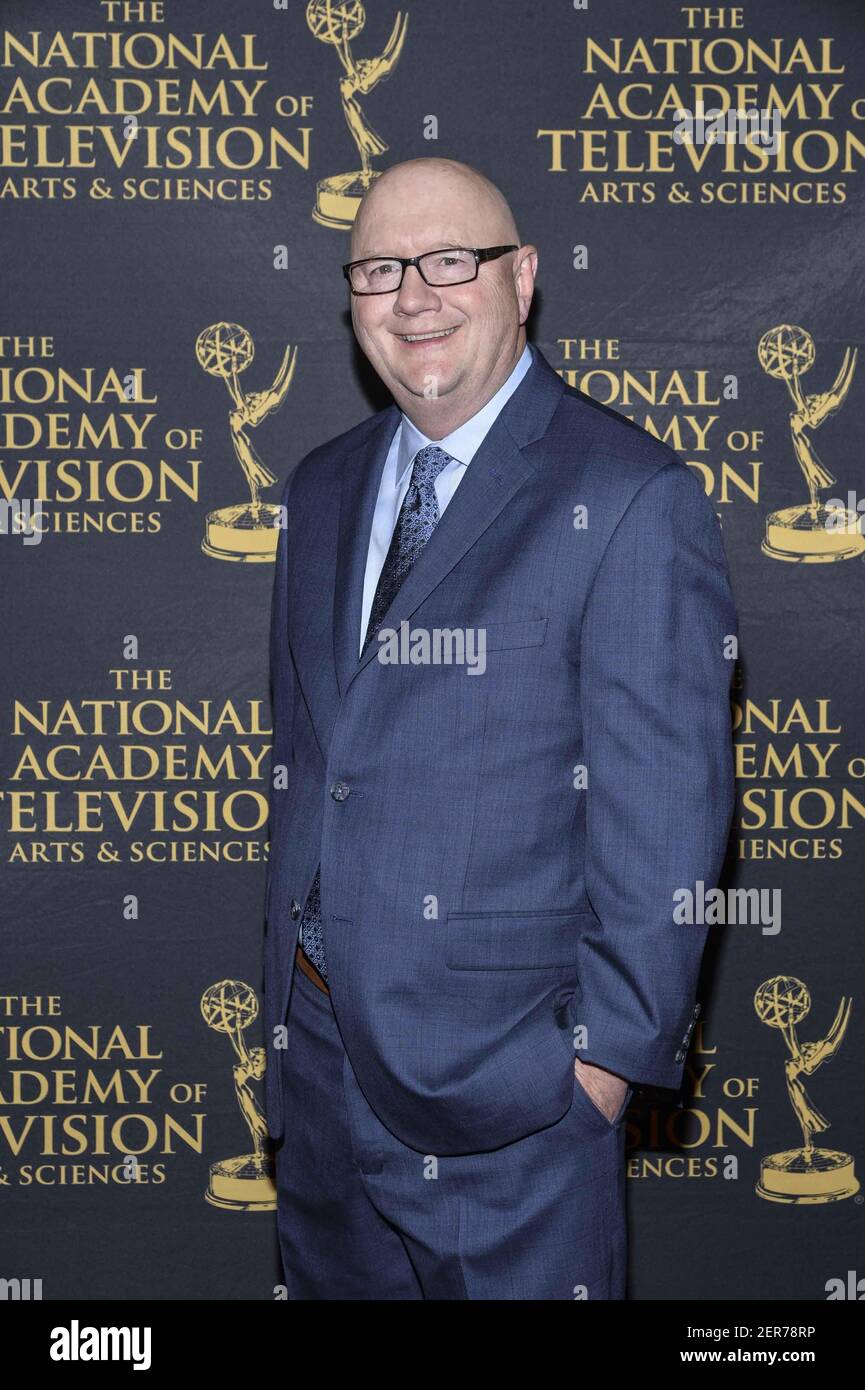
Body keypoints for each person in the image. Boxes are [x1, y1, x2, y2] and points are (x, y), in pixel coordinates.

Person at [263, 157, 736, 1300]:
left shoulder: (627, 494)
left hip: (512, 1102)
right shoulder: (320, 488)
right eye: (378, 269)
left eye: (449, 262)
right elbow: (320, 764)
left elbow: (668, 817)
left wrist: (602, 1069)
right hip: (319, 1069)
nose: (413, 297)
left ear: (520, 280)